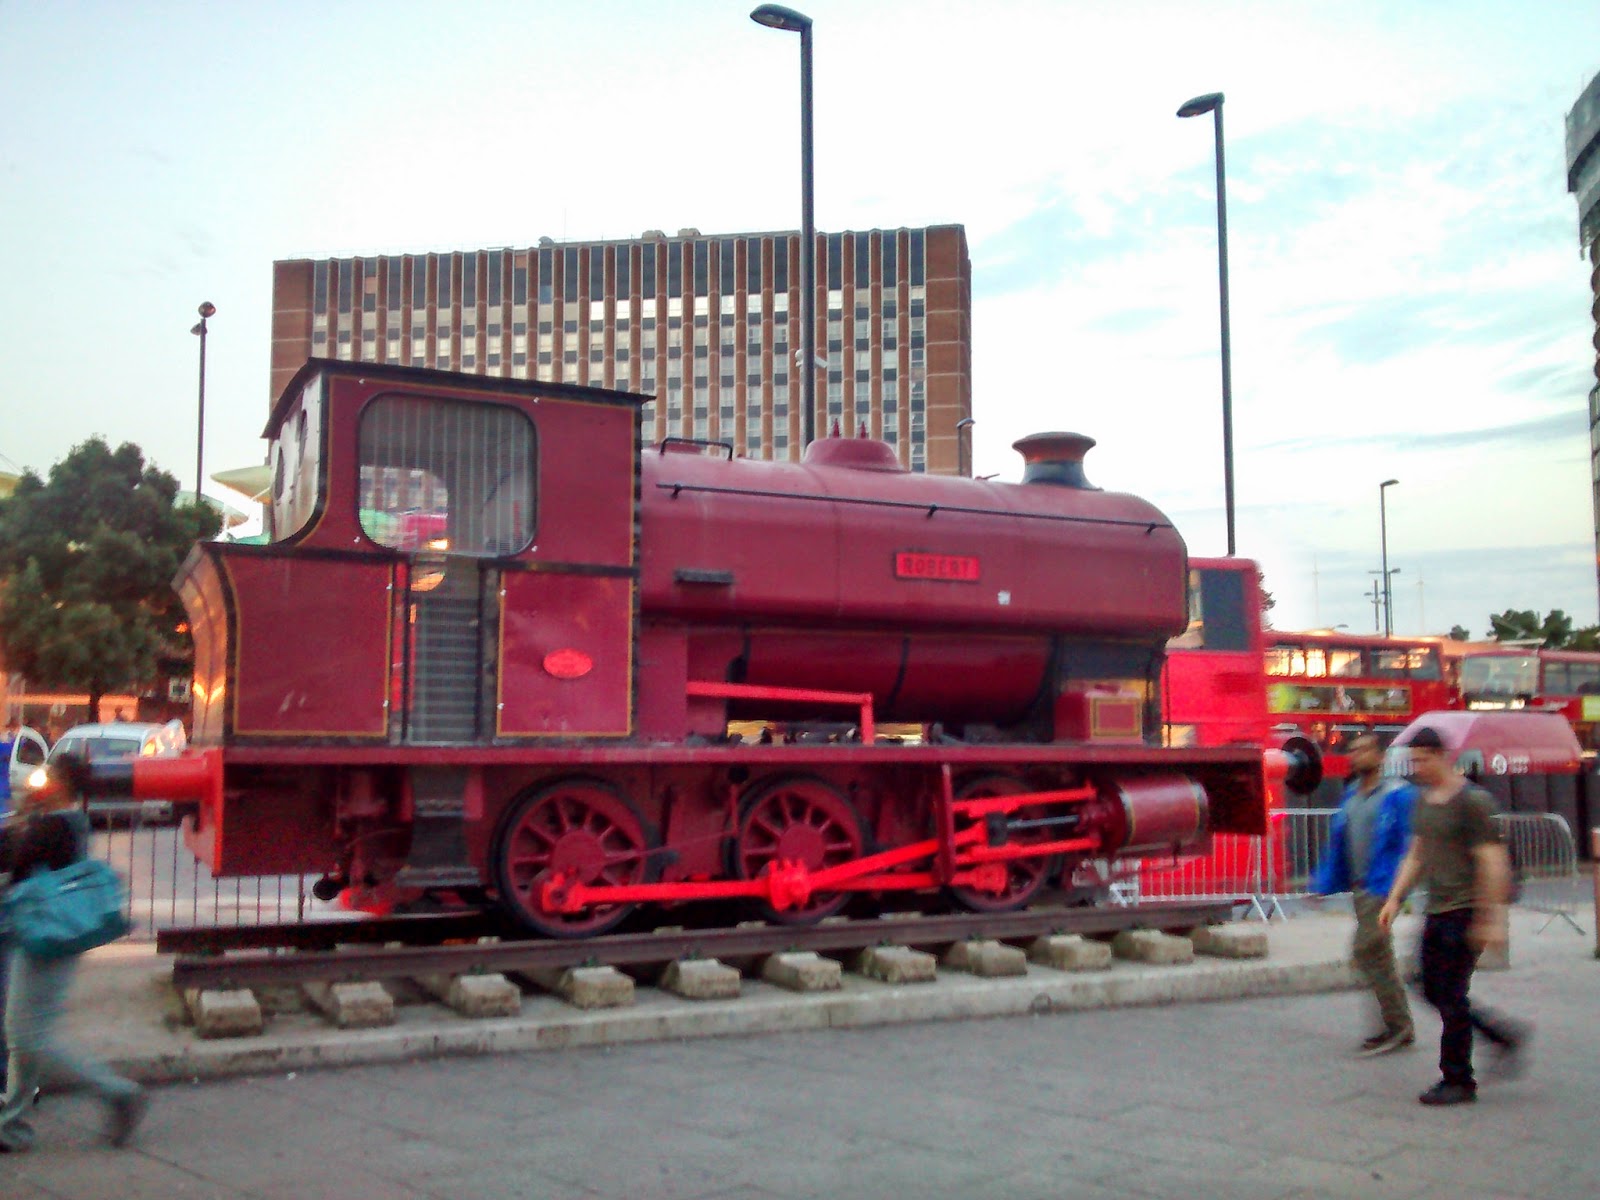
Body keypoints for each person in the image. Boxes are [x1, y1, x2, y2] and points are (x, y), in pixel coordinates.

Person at [0, 754, 147, 1153]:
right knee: (22, 1036)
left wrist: (25, 816)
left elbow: (13, 862)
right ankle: (9, 1125)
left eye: (46, 777)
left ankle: (118, 1092)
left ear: (62, 783)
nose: (37, 783)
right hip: (47, 935)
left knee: (29, 1039)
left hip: (46, 938)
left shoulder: (56, 824)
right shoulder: (65, 821)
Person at [1378, 726, 1529, 1106]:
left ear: (1441, 756)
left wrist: (1490, 918)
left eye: (1422, 760)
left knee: (1450, 995)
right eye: (1412, 761)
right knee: (1426, 985)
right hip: (1437, 909)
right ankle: (1501, 1036)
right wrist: (1394, 898)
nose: (1416, 768)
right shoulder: (1424, 800)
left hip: (1465, 911)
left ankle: (1458, 1079)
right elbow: (1417, 852)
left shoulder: (1473, 802)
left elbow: (1492, 861)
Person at [1309, 733, 1415, 1056]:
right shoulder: (1351, 797)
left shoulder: (1398, 794)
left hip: (1383, 887)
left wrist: (1400, 889)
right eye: (1352, 751)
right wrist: (1324, 881)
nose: (1356, 755)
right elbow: (1339, 844)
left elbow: (1412, 843)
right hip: (1360, 886)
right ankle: (1394, 1025)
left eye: (1364, 750)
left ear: (1381, 756)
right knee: (1378, 955)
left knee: (1366, 950)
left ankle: (1398, 1025)